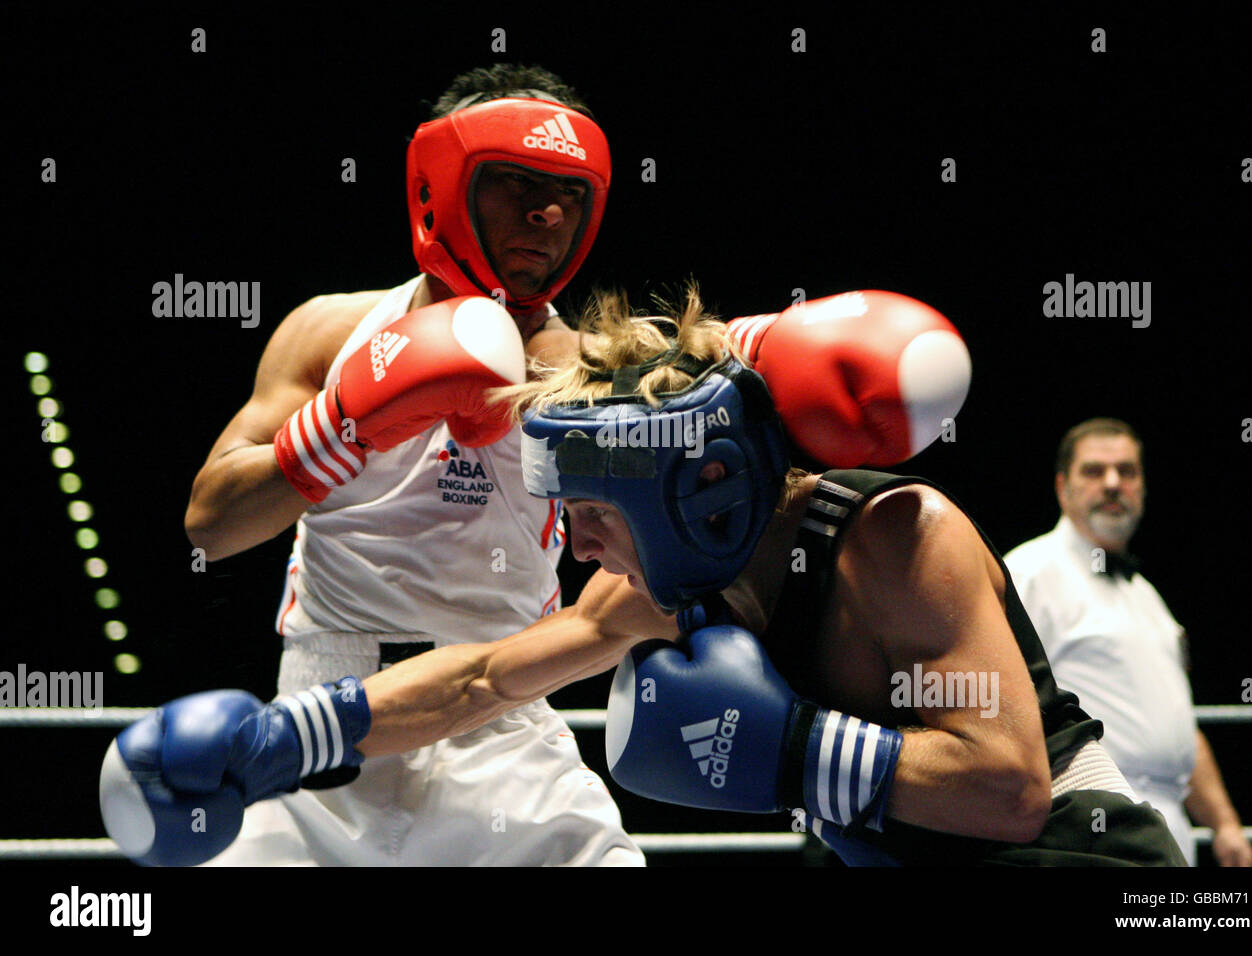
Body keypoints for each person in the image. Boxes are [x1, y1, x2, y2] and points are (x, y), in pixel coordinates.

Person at [101, 286, 977, 867]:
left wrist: (798, 755)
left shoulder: (892, 537)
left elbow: (1010, 795)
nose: (579, 548)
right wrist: (290, 738)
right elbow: (484, 675)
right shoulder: (638, 594)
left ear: (676, 489)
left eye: (592, 513)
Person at [176, 63, 643, 865]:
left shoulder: (598, 375)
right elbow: (209, 529)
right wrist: (344, 423)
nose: (551, 212)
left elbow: (652, 581)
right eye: (518, 181)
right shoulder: (330, 333)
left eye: (573, 192)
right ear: (442, 182)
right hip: (317, 727)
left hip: (503, 727)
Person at [1002, 419, 1252, 867]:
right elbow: (999, 701)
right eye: (1095, 471)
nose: (1114, 483)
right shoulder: (1029, 575)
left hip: (1168, 824)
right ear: (1063, 487)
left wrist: (1224, 824)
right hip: (1088, 824)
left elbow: (1178, 726)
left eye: (1127, 471)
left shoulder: (1146, 597)